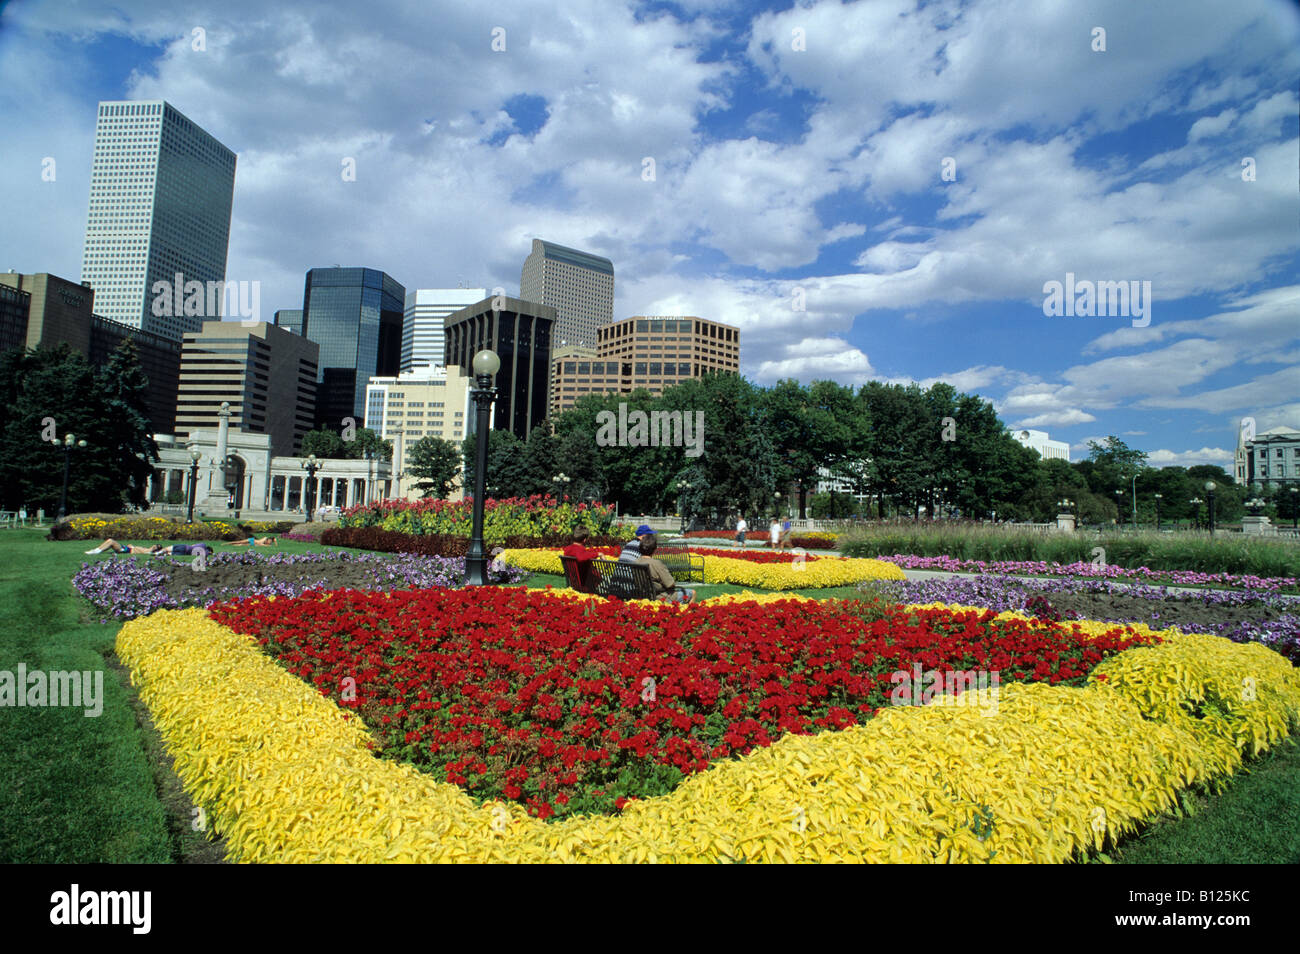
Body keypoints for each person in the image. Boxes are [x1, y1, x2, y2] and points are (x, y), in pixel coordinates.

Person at [636, 535, 695, 604]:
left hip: (645, 595)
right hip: (661, 597)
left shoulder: (636, 562)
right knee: (693, 593)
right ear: (654, 549)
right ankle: (688, 612)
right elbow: (670, 584)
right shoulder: (656, 564)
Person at [85, 538, 153, 555]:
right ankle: (96, 550)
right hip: (126, 548)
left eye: (156, 547)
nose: (154, 546)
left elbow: (136, 550)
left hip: (126, 550)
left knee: (111, 541)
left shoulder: (147, 551)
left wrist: (133, 547)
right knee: (109, 541)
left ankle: (96, 551)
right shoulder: (146, 549)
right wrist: (131, 546)